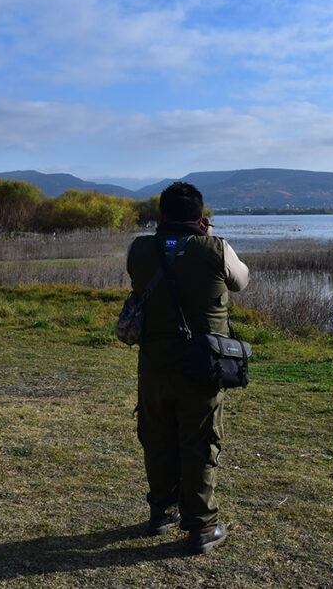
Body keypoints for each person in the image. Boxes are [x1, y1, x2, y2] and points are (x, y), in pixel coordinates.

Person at [126, 181, 250, 554]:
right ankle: (202, 526)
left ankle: (162, 514)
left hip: (153, 364)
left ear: (161, 216)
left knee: (157, 436)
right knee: (198, 441)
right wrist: (207, 237)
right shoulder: (216, 248)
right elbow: (241, 280)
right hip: (202, 363)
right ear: (201, 217)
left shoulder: (139, 250)